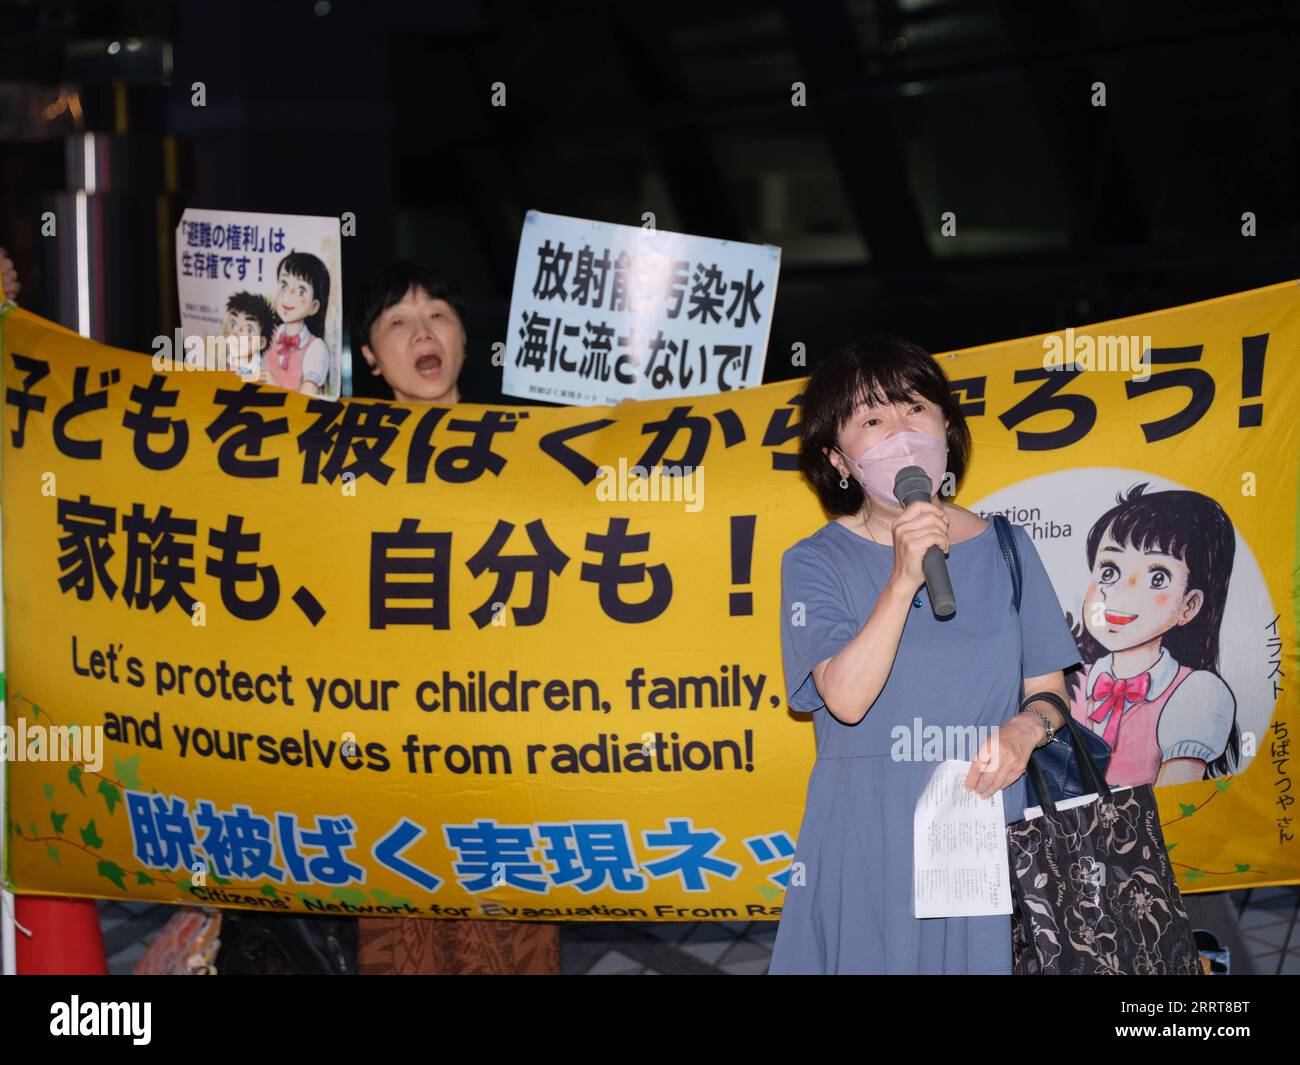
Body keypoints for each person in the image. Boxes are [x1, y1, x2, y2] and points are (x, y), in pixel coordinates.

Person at [770, 332, 1083, 975]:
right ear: (838, 459)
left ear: (947, 425)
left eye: (915, 407)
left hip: (983, 822)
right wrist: (903, 575)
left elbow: (1049, 690)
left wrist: (1026, 731)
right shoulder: (812, 561)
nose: (901, 431)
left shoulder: (1007, 547)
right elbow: (847, 699)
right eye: (873, 420)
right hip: (866, 830)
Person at [351, 259, 560, 974]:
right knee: (403, 941)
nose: (423, 331)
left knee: (503, 939)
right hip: (389, 740)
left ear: (466, 339)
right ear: (371, 359)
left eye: (438, 313)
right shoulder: (337, 467)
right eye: (398, 321)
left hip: (502, 737)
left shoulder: (531, 450)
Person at [267, 250, 332, 396]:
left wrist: (272, 385)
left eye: (301, 291)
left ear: (314, 306)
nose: (288, 296)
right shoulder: (269, 334)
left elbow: (306, 397)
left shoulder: (316, 348)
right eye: (284, 285)